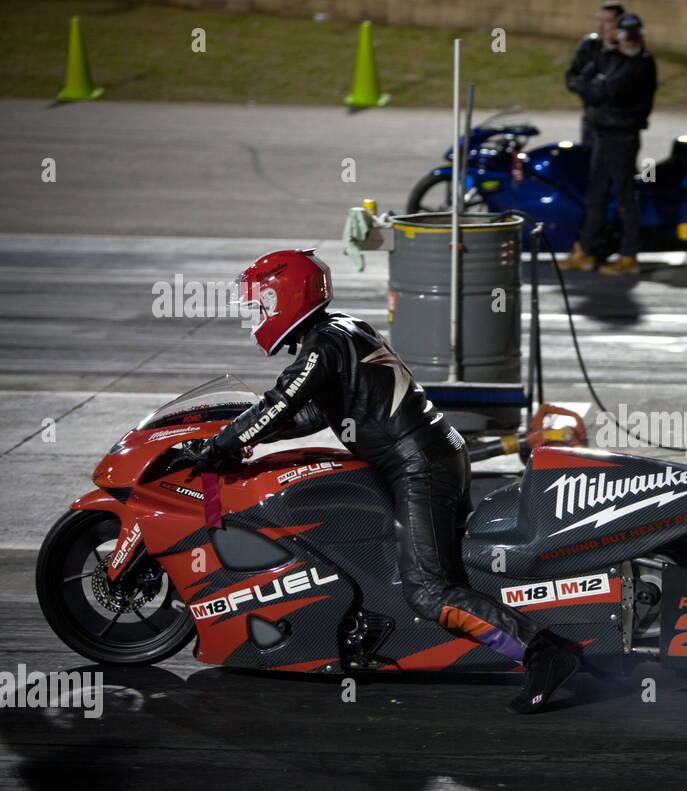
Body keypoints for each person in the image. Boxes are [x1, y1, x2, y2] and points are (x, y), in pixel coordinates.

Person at [178, 249, 580, 713]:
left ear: (286, 295)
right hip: (429, 457)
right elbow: (310, 412)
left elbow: (281, 402)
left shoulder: (324, 344)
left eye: (263, 302)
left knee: (429, 590)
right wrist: (242, 436)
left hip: (418, 467)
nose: (259, 313)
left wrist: (220, 444)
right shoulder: (341, 331)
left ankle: (542, 653)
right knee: (433, 572)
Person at [560, 12, 657, 276]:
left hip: (622, 137)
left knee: (625, 197)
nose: (628, 40)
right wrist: (608, 49)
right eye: (624, 34)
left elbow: (601, 91)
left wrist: (592, 86)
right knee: (595, 195)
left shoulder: (640, 65)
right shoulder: (613, 57)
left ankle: (629, 256)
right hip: (603, 134)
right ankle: (586, 251)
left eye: (633, 34)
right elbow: (585, 76)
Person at [566, 2, 624, 147]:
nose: (601, 25)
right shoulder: (589, 45)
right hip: (591, 117)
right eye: (599, 20)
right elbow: (572, 76)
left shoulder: (626, 51)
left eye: (607, 21)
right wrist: (586, 89)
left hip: (618, 124)